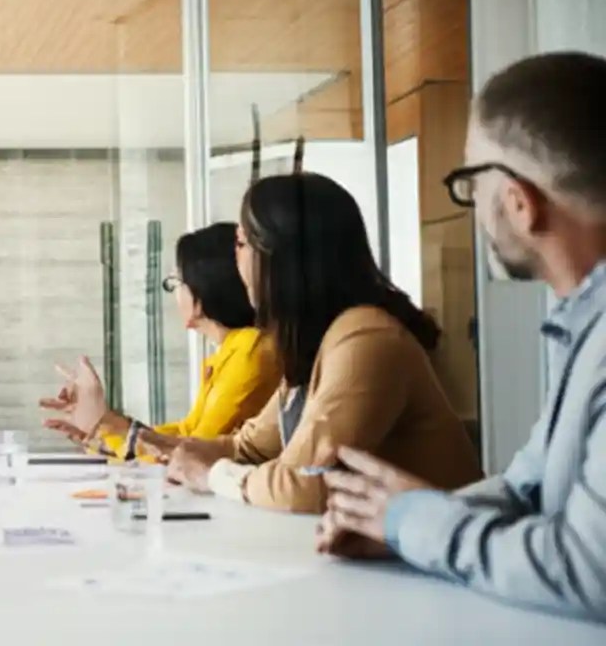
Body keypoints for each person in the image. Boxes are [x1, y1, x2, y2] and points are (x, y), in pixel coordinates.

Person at [318, 52, 606, 622]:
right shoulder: (581, 321)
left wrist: (414, 522)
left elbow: (587, 567)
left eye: (471, 184)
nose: (471, 207)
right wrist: (399, 521)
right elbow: (529, 484)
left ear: (521, 203)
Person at [45, 173, 481, 513]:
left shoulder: (366, 338)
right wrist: (107, 429)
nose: (234, 260)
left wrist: (211, 474)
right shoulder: (315, 345)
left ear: (281, 256)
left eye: (240, 243)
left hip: (441, 583)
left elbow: (305, 484)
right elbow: (245, 447)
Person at [42, 223, 280, 458]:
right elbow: (183, 433)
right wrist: (100, 434)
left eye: (176, 283)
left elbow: (193, 452)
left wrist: (105, 421)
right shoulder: (234, 350)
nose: (175, 296)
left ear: (203, 289)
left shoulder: (251, 352)